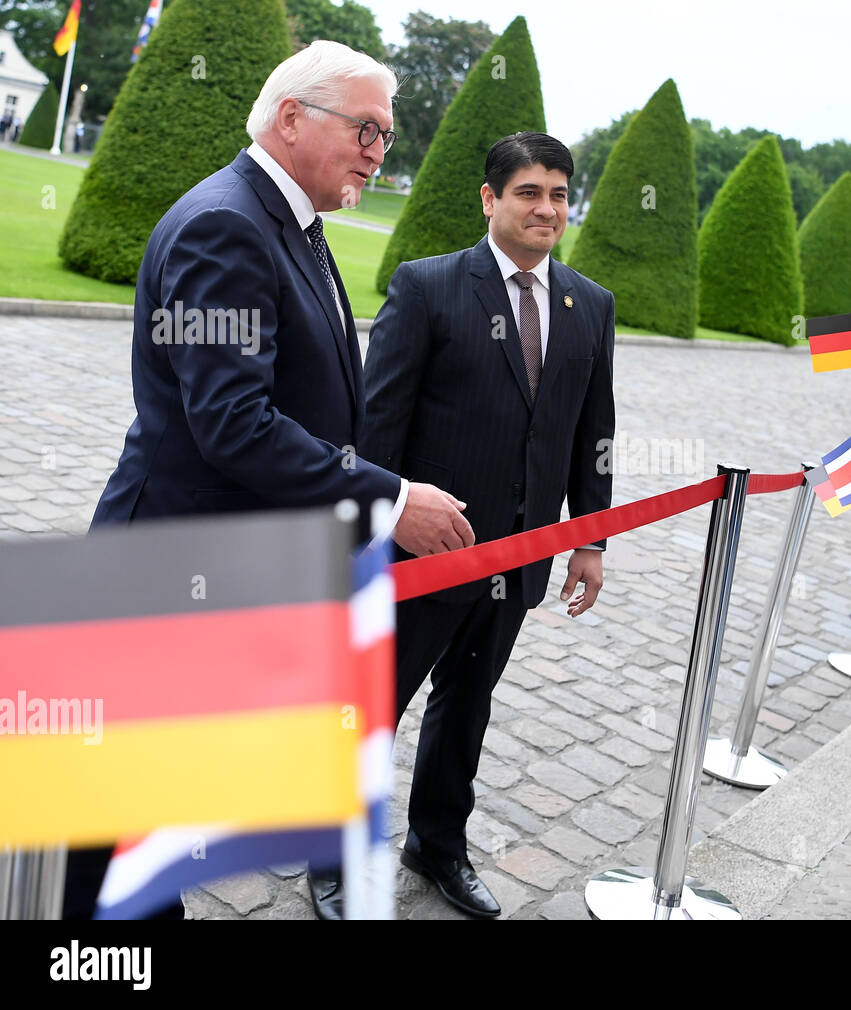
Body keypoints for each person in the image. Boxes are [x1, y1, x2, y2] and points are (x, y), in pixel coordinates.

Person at [64, 41, 471, 921]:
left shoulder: (289, 221)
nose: (377, 151)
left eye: (386, 137)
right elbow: (233, 425)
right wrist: (391, 499)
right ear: (292, 118)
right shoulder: (227, 225)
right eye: (365, 129)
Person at [357, 132, 616, 918]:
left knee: (466, 707)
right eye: (530, 192)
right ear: (490, 199)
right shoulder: (427, 287)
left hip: (521, 559)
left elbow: (591, 430)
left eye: (560, 194)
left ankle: (437, 845)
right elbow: (377, 427)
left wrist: (591, 539)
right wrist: (380, 526)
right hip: (421, 555)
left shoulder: (589, 303)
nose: (547, 209)